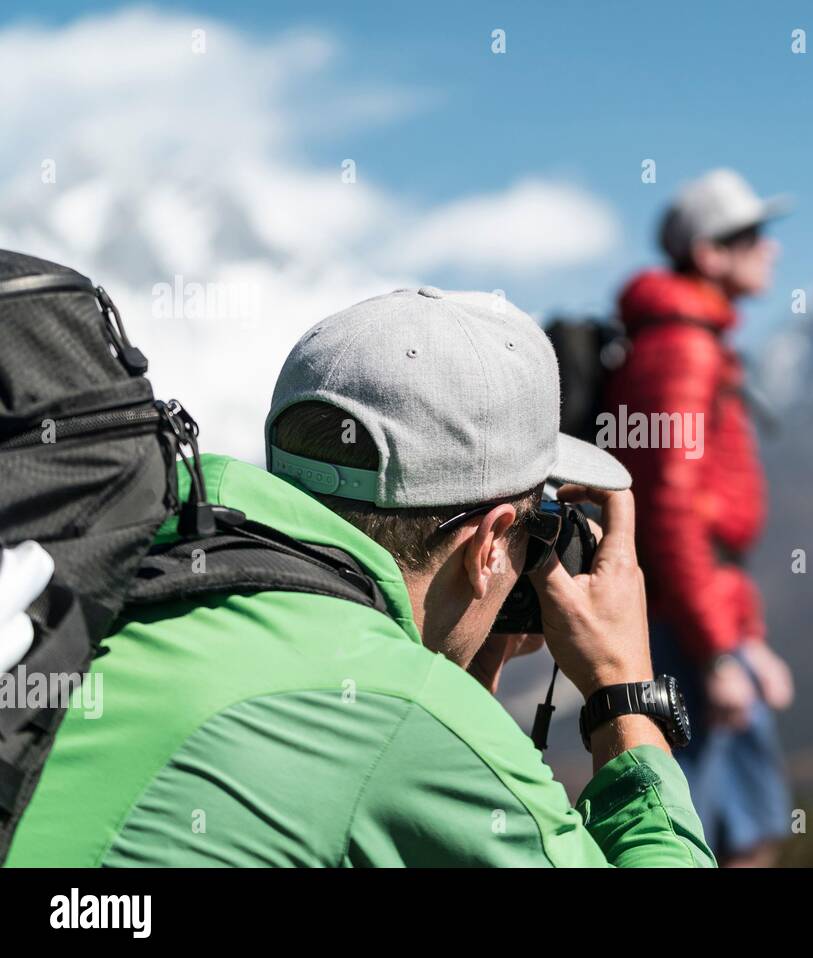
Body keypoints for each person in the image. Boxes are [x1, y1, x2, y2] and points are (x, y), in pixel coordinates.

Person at [7, 286, 713, 867]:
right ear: (495, 539)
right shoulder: (404, 713)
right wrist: (624, 692)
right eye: (534, 529)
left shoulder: (136, 566)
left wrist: (457, 662)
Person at [605, 169, 794, 866]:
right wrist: (717, 651)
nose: (770, 249)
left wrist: (747, 636)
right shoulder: (682, 348)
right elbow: (671, 511)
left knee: (744, 821)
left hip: (704, 613)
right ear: (710, 255)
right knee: (705, 828)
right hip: (687, 623)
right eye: (751, 236)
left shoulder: (690, 339)